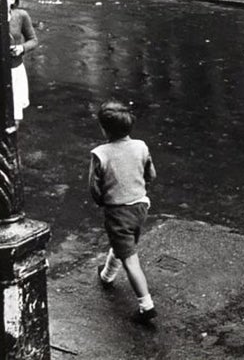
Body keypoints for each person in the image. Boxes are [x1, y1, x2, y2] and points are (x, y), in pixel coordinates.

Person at [90, 100, 158, 324]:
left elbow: (94, 187)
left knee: (130, 258)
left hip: (118, 212)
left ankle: (146, 305)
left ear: (104, 128)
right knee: (123, 244)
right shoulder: (141, 146)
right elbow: (151, 175)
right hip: (141, 206)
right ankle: (107, 275)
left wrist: (102, 200)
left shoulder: (100, 154)